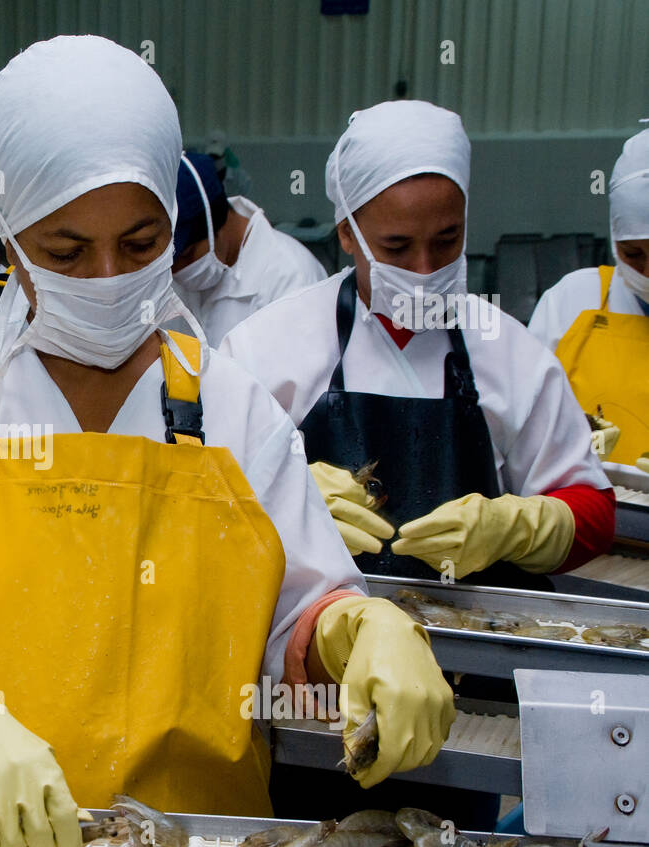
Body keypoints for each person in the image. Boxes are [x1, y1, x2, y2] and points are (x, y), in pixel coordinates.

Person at [0, 37, 453, 847]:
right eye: (66, 251)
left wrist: (361, 629)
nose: (107, 277)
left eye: (140, 244)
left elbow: (297, 628)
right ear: (7, 241)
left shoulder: (229, 406)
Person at [221, 101, 613, 589]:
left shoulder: (510, 351)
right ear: (347, 234)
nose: (425, 270)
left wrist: (519, 528)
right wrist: (276, 503)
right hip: (318, 638)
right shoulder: (267, 347)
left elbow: (595, 511)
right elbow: (200, 499)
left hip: (480, 642)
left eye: (447, 240)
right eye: (396, 247)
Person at [530, 126, 649, 467]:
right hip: (584, 509)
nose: (647, 272)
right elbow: (521, 422)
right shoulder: (575, 300)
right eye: (633, 254)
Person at [169, 150, 324, 344]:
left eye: (186, 254)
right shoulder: (178, 272)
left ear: (214, 224)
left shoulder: (291, 277)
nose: (177, 272)